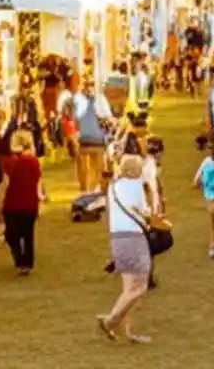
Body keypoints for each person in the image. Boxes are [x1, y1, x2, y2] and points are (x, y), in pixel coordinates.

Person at [99, 155, 154, 344]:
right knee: (140, 286)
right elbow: (145, 211)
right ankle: (111, 320)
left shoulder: (113, 186)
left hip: (117, 237)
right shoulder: (136, 186)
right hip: (134, 237)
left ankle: (126, 331)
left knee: (129, 288)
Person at [0, 130, 44, 276]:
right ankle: (26, 262)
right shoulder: (34, 161)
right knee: (27, 234)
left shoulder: (9, 161)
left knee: (11, 234)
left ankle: (20, 259)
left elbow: (5, 183)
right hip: (30, 202)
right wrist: (40, 198)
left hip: (12, 202)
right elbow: (38, 182)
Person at [74, 83, 113, 194]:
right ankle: (98, 186)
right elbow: (108, 119)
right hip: (97, 141)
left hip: (84, 141)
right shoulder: (100, 100)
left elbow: (76, 122)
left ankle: (85, 188)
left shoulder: (78, 102)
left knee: (82, 165)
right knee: (99, 165)